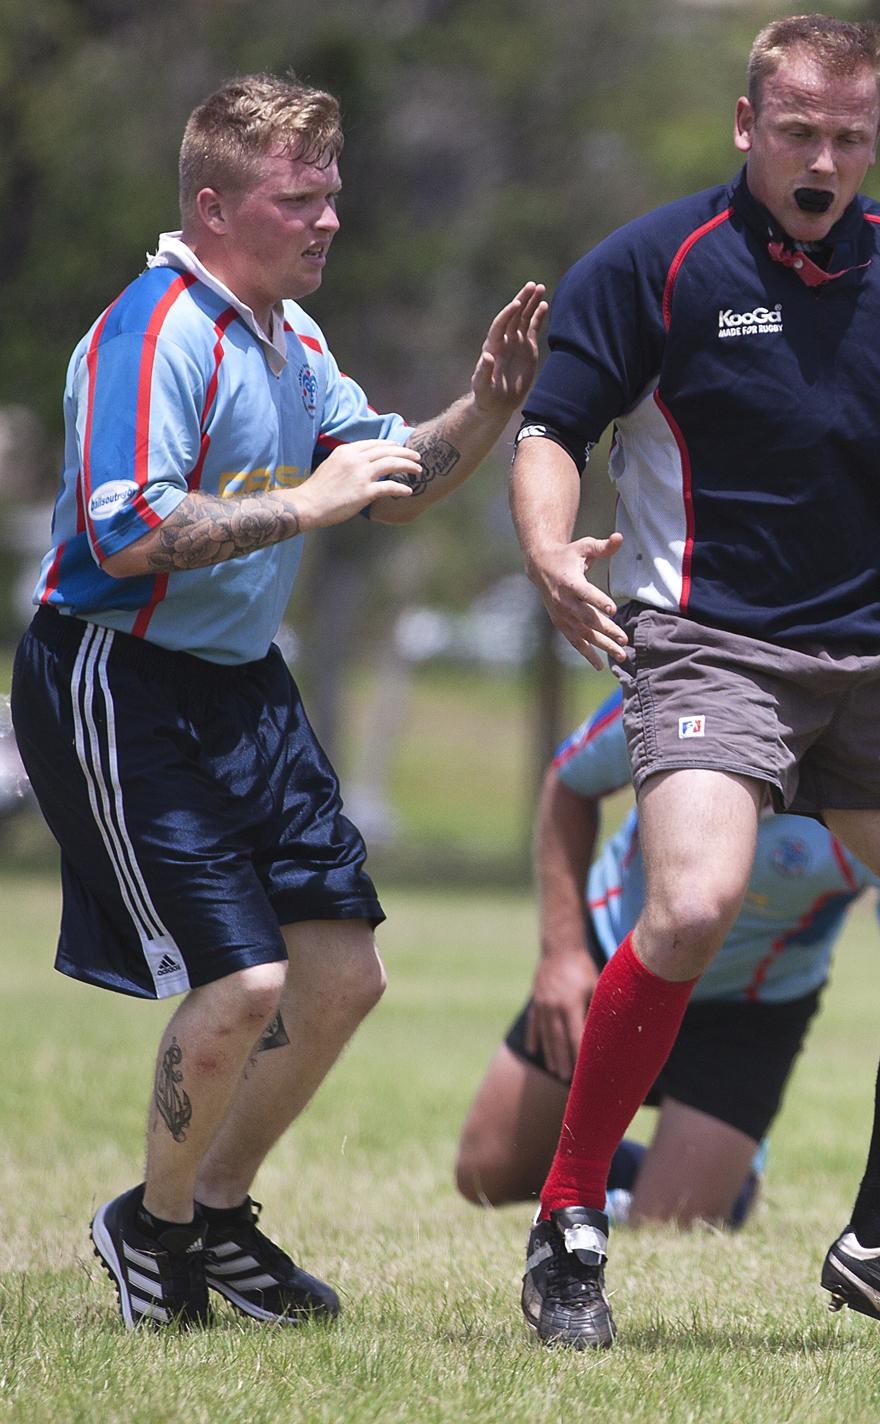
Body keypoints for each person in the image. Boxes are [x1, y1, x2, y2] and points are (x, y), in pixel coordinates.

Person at [507, 14, 880, 1352]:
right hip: (711, 640)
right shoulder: (659, 263)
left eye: (851, 135)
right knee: (691, 902)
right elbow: (554, 430)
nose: (825, 156)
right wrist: (547, 544)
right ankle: (569, 1224)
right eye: (799, 130)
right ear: (748, 126)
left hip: (878, 647)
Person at [10, 74, 546, 1330]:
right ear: (212, 206)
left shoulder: (288, 338)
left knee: (342, 974)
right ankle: (155, 1232)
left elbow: (394, 482)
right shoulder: (155, 331)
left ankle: (207, 1216)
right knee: (244, 983)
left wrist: (489, 404)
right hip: (116, 677)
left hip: (242, 685)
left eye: (332, 195)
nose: (327, 219)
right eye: (296, 197)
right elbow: (129, 528)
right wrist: (303, 505)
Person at [454, 688, 880, 1237]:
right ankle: (663, 1165)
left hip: (750, 1011)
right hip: (617, 958)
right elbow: (570, 781)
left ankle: (724, 1174)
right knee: (485, 1174)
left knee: (669, 1225)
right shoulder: (690, 684)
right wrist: (562, 954)